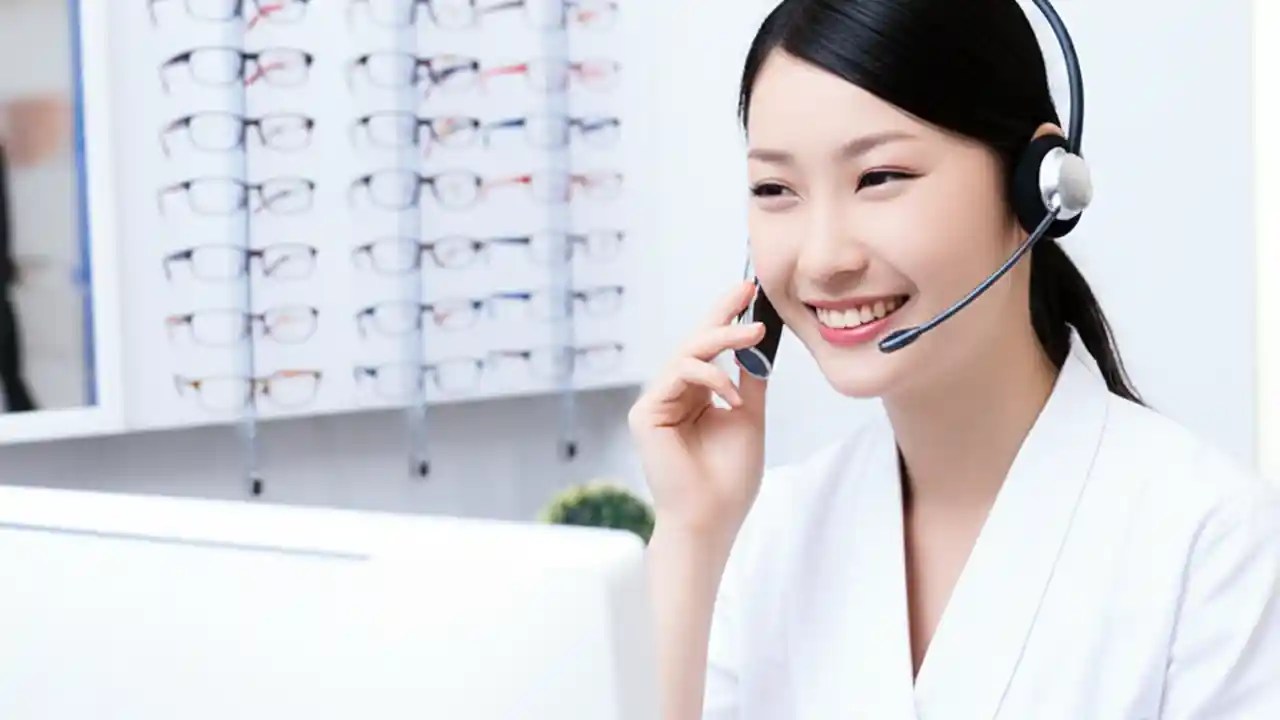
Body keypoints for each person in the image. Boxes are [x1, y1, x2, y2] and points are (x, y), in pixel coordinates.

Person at [628, 1, 1280, 718]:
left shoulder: (1207, 541)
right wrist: (692, 534)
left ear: (1038, 185)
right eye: (775, 190)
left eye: (878, 177)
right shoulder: (769, 532)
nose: (822, 259)